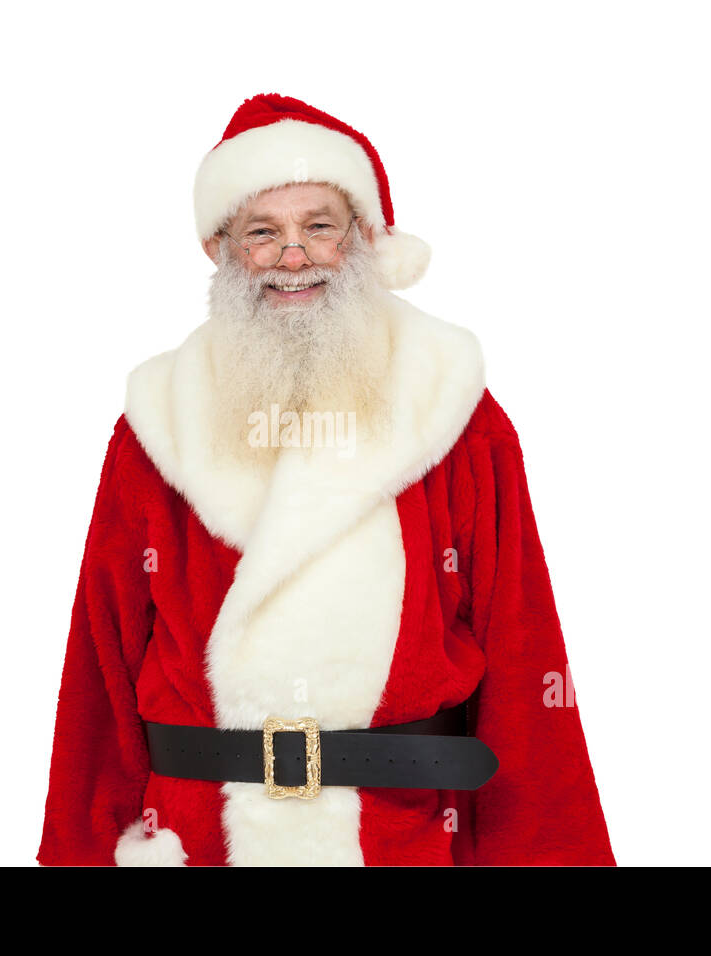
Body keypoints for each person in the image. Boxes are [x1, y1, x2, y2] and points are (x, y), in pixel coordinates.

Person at [36, 93, 616, 866]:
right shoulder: (158, 424)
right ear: (220, 250)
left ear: (366, 239)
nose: (294, 256)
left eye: (320, 227)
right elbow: (99, 670)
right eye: (262, 233)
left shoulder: (453, 414)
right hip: (199, 840)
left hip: (401, 836)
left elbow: (523, 653)